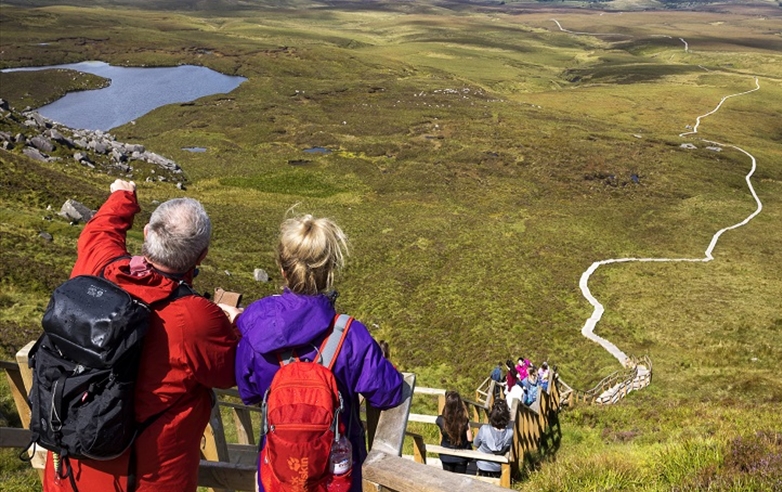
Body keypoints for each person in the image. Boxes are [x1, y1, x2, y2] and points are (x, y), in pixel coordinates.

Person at [43, 179, 240, 492]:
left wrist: (123, 195)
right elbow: (231, 371)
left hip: (71, 473)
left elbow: (101, 231)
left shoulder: (99, 269)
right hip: (144, 480)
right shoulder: (195, 317)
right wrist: (232, 323)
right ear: (200, 256)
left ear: (147, 233)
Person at [235, 212, 404, 492]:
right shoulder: (351, 336)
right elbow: (390, 392)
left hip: (278, 475)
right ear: (330, 271)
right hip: (336, 479)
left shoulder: (254, 331)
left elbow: (249, 392)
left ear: (282, 269)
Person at [473, 398, 514, 478]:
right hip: (497, 466)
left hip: (482, 464)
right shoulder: (510, 433)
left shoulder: (484, 429)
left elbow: (475, 444)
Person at [435, 390, 473, 474]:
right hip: (461, 457)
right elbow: (470, 439)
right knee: (460, 480)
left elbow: (441, 419)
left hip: (446, 456)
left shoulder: (440, 420)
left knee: (448, 478)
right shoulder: (464, 421)